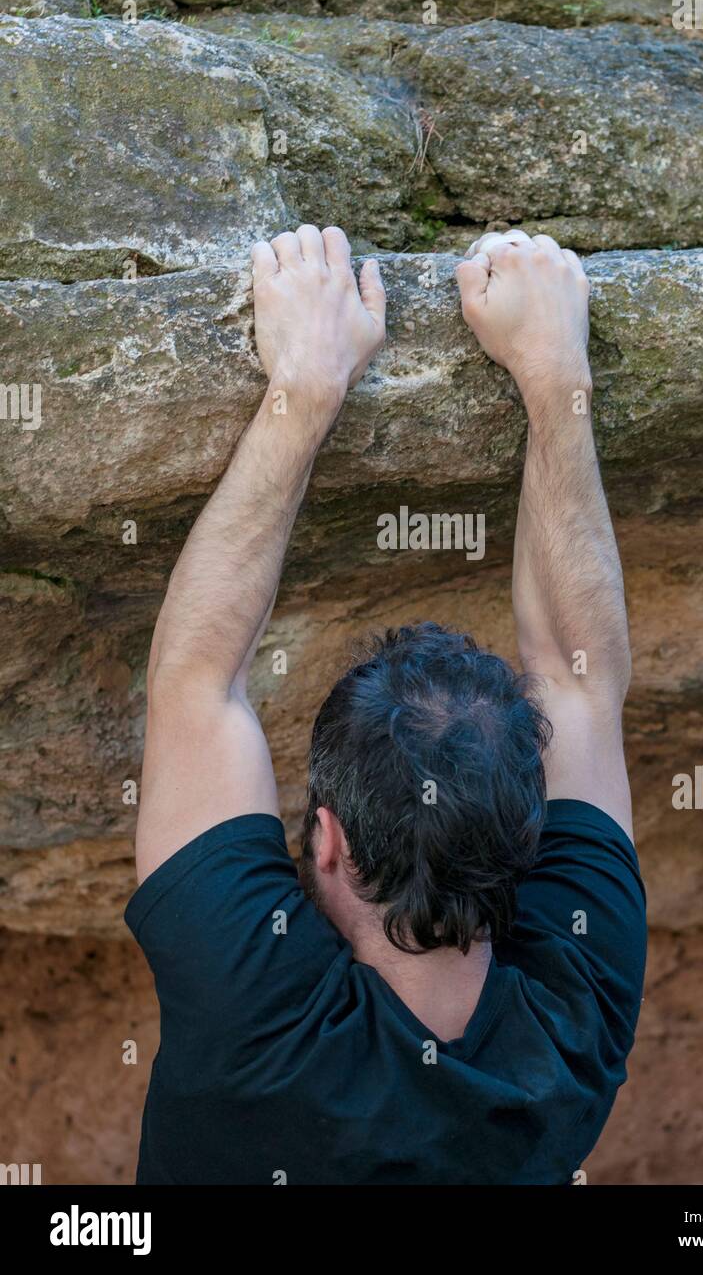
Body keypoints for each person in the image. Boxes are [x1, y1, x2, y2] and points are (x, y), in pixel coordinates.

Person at [125, 224, 647, 1184]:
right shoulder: (571, 1019)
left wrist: (305, 389)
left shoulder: (259, 1014)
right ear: (527, 844)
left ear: (326, 839)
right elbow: (576, 676)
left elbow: (196, 675)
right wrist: (553, 376)